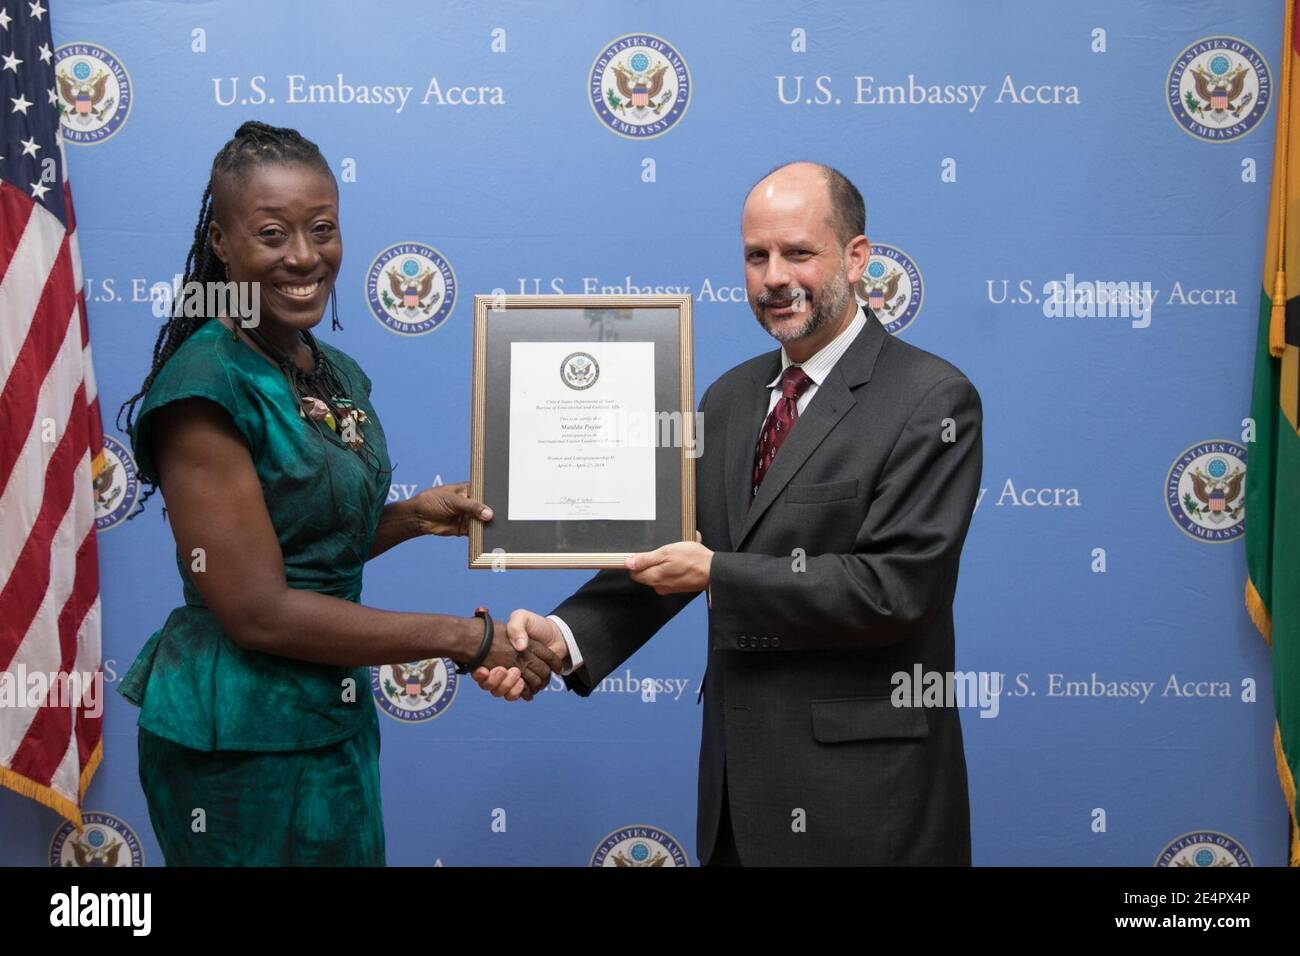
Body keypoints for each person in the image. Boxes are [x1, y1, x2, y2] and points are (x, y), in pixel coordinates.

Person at [477, 161, 983, 866]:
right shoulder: (729, 398)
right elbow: (676, 551)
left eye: (799, 252)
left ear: (857, 257)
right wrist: (563, 639)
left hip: (867, 804)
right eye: (756, 256)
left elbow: (896, 591)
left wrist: (717, 572)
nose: (775, 276)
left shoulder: (931, 399)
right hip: (736, 798)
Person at [116, 121, 557, 866]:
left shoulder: (330, 369)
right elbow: (259, 610)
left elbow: (300, 542)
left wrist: (415, 518)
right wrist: (465, 638)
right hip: (241, 740)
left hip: (331, 716)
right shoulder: (203, 387)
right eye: (271, 232)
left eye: (322, 229)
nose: (303, 255)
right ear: (221, 243)